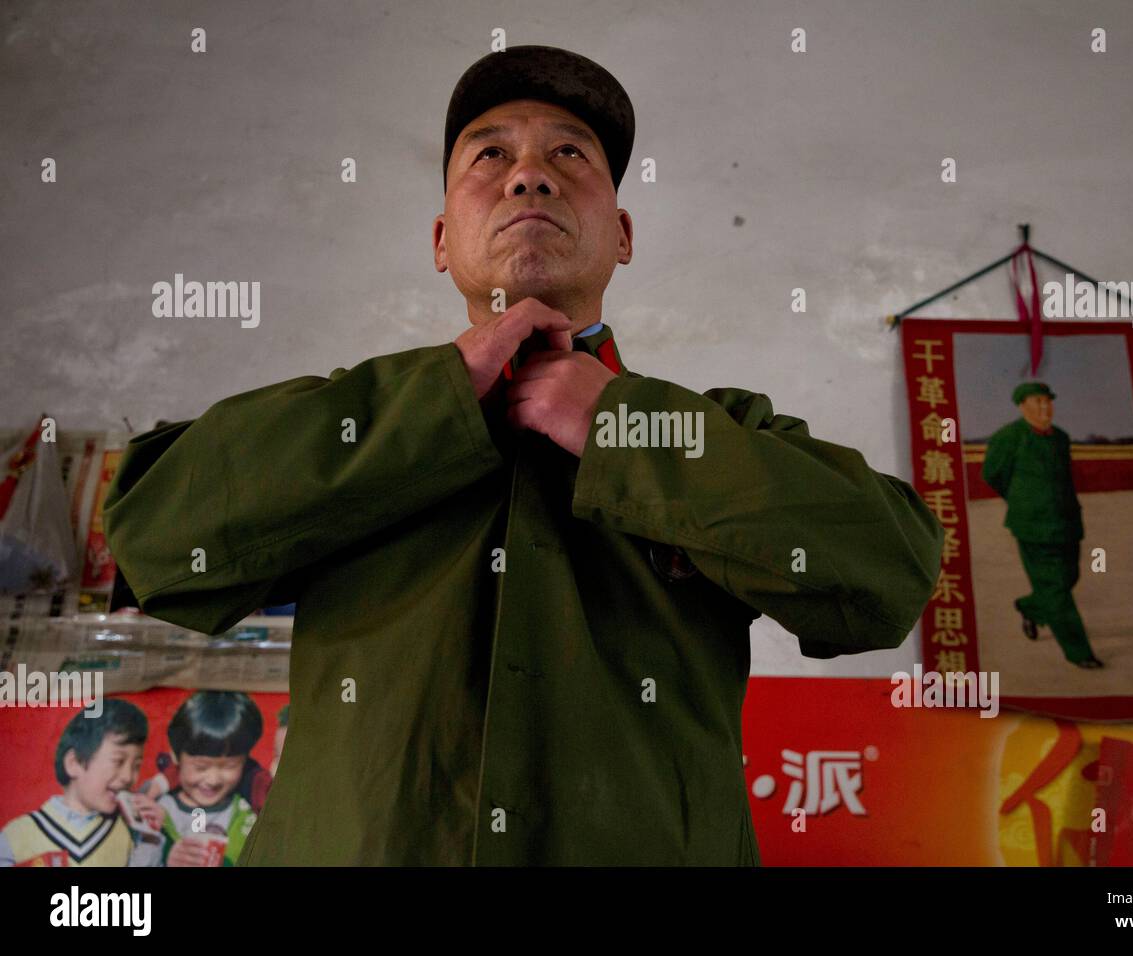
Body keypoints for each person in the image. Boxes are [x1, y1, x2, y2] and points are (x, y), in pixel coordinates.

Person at [102, 45, 945, 865]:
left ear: (621, 234)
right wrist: (435, 398)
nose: (529, 174)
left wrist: (623, 428)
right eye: (491, 154)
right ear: (441, 240)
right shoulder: (350, 426)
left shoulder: (725, 431)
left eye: (569, 154)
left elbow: (888, 574)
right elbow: (152, 538)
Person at [982, 381, 1103, 668]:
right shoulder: (1008, 437)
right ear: (1022, 406)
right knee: (1056, 590)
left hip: (1067, 523)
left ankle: (1030, 607)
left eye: (1048, 401)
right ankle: (1080, 653)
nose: (1044, 407)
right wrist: (1023, 501)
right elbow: (993, 474)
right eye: (1037, 402)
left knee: (1068, 578)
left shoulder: (1060, 437)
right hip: (1033, 526)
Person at [0, 699, 165, 866]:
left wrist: (149, 839)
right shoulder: (16, 836)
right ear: (74, 763)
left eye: (136, 766)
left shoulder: (130, 834)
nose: (128, 777)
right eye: (118, 761)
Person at [156, 691, 261, 867]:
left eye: (230, 766)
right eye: (200, 767)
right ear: (175, 757)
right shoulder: (159, 812)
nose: (213, 780)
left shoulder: (245, 817)